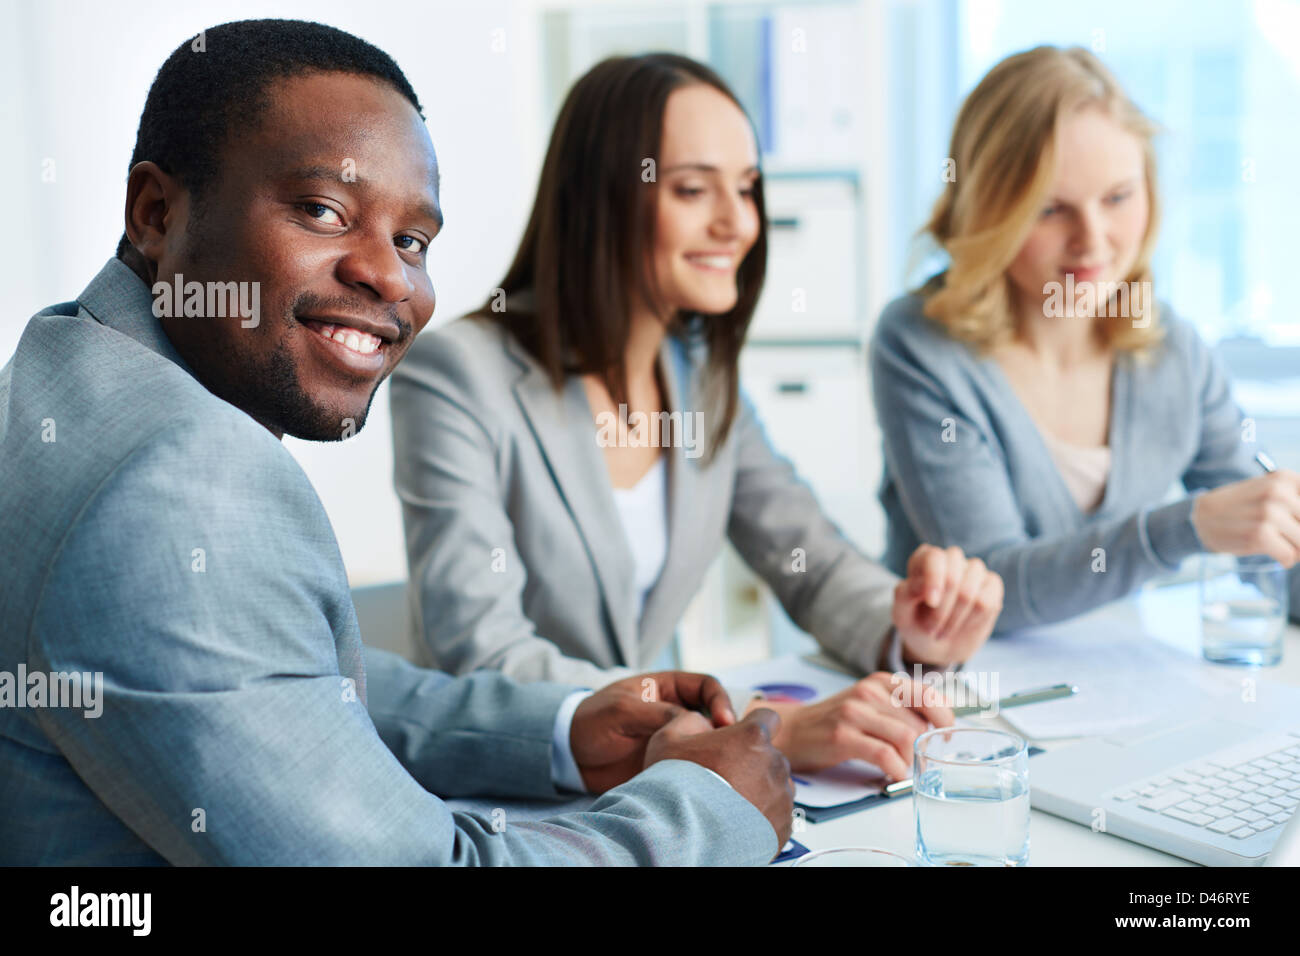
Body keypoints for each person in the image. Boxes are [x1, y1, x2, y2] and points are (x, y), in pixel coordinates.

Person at [0, 18, 796, 866]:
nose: (388, 276)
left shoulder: (69, 372)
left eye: (412, 240)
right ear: (157, 213)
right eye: (323, 210)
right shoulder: (180, 483)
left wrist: (564, 728)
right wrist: (713, 813)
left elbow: (275, 689)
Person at [389, 53, 1004, 782]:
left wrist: (909, 624)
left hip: (663, 785)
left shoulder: (698, 375)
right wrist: (761, 723)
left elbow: (810, 559)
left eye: (746, 189)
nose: (737, 223)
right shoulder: (458, 373)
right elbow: (487, 655)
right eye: (691, 189)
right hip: (514, 788)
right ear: (602, 199)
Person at [869, 45, 1300, 634]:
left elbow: (1268, 538)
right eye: (1051, 210)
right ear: (987, 212)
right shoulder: (920, 346)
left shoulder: (1172, 347)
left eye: (1118, 198)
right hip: (962, 699)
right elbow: (994, 592)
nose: (1093, 241)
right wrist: (1185, 526)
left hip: (1119, 687)